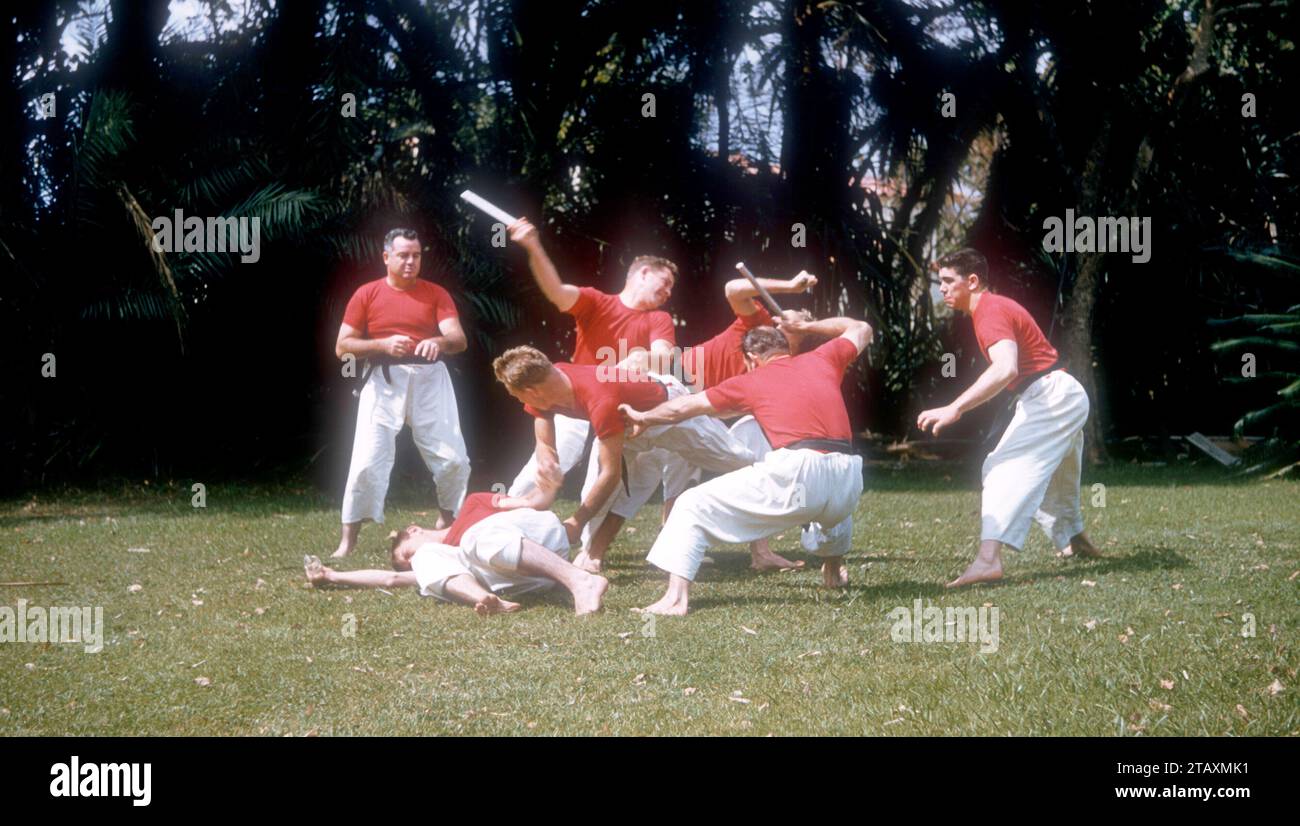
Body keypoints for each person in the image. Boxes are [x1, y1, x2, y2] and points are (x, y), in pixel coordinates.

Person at [621, 316, 873, 615]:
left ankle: (675, 600)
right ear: (784, 347)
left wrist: (643, 417)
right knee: (832, 507)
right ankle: (833, 571)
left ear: (752, 359)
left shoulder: (751, 380)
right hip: (849, 477)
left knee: (690, 504)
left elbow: (684, 406)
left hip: (800, 473)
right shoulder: (824, 358)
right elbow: (861, 328)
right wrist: (805, 327)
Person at [580, 270, 822, 573]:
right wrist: (789, 284)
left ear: (803, 330)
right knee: (631, 478)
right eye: (776, 314)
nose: (775, 321)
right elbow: (734, 287)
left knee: (671, 478)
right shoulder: (758, 324)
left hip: (699, 410)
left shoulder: (790, 364)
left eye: (785, 319)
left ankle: (634, 550)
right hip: (673, 390)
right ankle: (588, 548)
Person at [916, 248, 1101, 588]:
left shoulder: (988, 310)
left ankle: (988, 560)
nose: (941, 289)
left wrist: (954, 407)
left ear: (972, 281)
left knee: (1000, 468)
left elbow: (1005, 369)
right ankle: (1076, 539)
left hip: (1053, 395)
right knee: (1061, 473)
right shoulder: (991, 308)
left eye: (947, 281)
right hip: (1055, 394)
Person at [492, 345, 756, 567]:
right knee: (594, 494)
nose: (519, 401)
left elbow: (611, 474)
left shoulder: (599, 397)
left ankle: (774, 467)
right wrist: (546, 451)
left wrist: (574, 521)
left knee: (739, 461)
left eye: (516, 397)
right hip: (625, 423)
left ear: (532, 391)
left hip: (668, 412)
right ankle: (591, 555)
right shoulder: (549, 380)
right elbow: (541, 416)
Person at [504, 217, 677, 498]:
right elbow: (557, 293)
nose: (668, 292)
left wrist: (641, 358)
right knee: (546, 464)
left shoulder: (659, 319)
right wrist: (533, 246)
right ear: (643, 273)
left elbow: (663, 357)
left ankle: (587, 542)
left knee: (602, 478)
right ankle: (500, 516)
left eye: (671, 288)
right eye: (665, 282)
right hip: (572, 396)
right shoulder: (597, 302)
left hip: (619, 405)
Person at [332, 228, 470, 558]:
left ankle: (447, 524)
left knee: (454, 458)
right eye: (403, 255)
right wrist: (382, 344)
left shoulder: (436, 293)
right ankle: (348, 541)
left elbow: (458, 339)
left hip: (431, 380)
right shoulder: (366, 294)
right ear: (386, 257)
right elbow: (342, 348)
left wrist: (436, 342)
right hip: (382, 379)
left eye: (416, 255)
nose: (410, 261)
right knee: (366, 460)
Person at [304, 475, 609, 616]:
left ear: (413, 530)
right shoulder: (442, 558)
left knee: (473, 538)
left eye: (408, 552)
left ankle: (580, 580)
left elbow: (532, 502)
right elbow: (391, 578)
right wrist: (332, 577)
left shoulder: (473, 506)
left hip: (540, 539)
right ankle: (488, 601)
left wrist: (549, 484)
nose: (413, 560)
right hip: (525, 582)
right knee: (448, 555)